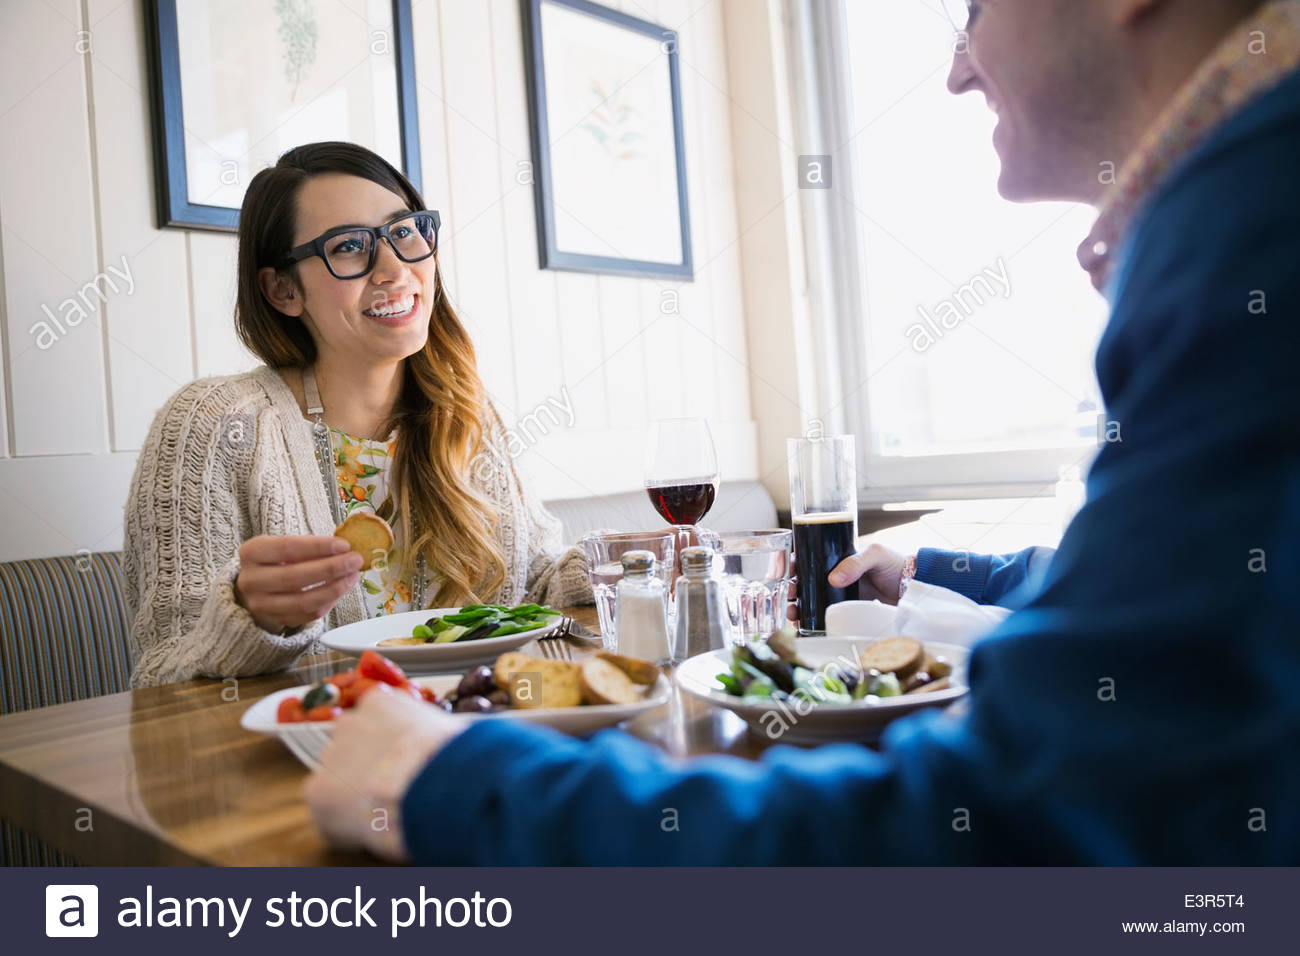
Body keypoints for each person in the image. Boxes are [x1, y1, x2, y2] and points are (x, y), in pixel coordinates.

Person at [306, 0, 1300, 863]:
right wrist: (951, 568)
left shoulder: (1249, 231)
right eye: (352, 249)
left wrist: (447, 779)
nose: (957, 68)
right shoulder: (1240, 210)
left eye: (977, 8)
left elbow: (1008, 831)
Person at [124, 142, 590, 688]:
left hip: (473, 739)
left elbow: (533, 585)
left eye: (404, 232)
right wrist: (253, 623)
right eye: (349, 246)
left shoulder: (466, 413)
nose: (395, 269)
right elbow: (162, 677)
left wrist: (628, 564)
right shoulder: (209, 427)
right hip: (306, 758)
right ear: (282, 289)